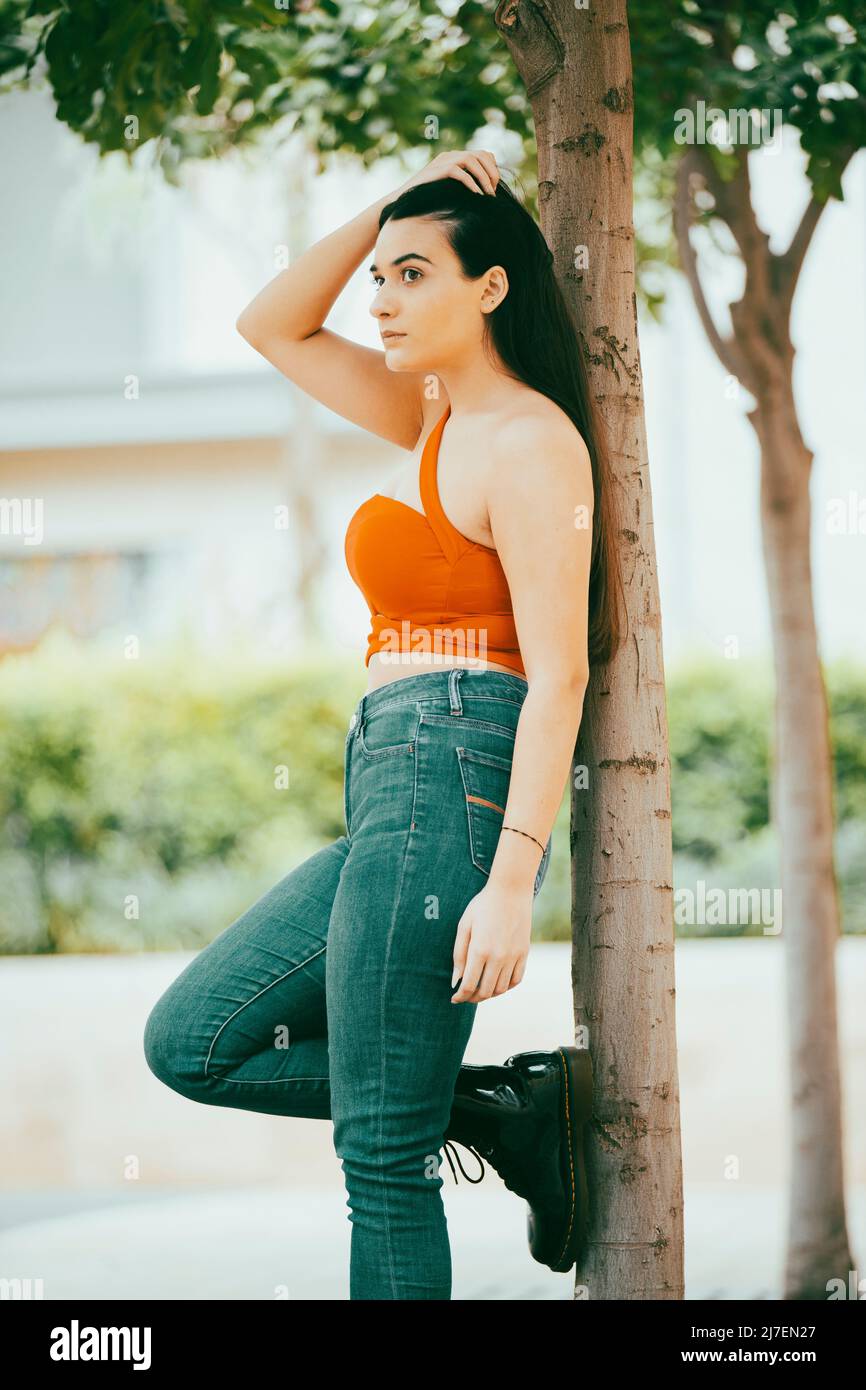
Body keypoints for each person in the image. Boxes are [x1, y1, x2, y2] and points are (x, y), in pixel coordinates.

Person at [143, 149, 625, 1299]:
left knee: (378, 1158)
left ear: (490, 288)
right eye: (379, 276)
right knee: (194, 1040)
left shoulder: (528, 440)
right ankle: (500, 1110)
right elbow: (274, 322)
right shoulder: (427, 416)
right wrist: (387, 206)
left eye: (412, 274)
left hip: (455, 767)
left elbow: (556, 676)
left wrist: (512, 880)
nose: (381, 298)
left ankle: (471, 1112)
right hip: (387, 783)